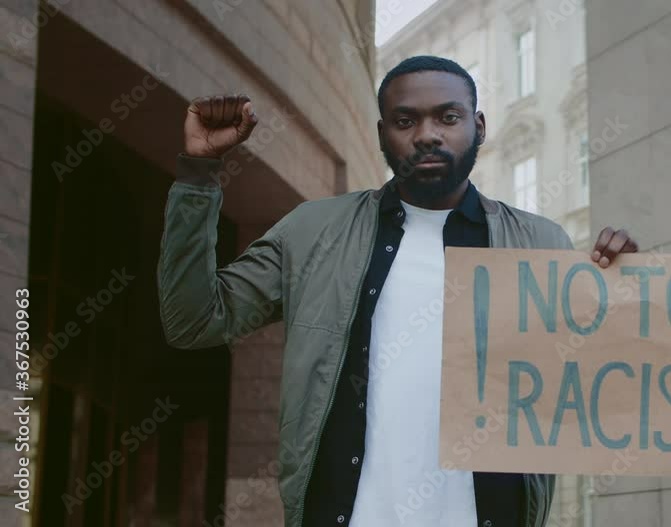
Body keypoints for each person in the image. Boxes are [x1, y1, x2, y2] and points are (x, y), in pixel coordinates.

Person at [157, 55, 638, 527]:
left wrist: (632, 295)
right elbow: (194, 321)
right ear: (382, 133)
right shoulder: (313, 231)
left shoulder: (539, 243)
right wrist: (199, 175)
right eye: (405, 120)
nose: (427, 134)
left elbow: (601, 386)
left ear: (480, 127)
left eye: (448, 117)